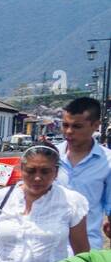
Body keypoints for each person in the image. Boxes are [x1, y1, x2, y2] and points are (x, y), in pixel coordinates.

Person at [56, 96, 111, 251]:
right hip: (47, 250)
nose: (68, 132)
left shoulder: (107, 163)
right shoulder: (50, 157)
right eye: (65, 125)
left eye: (77, 126)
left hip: (85, 251)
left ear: (95, 125)